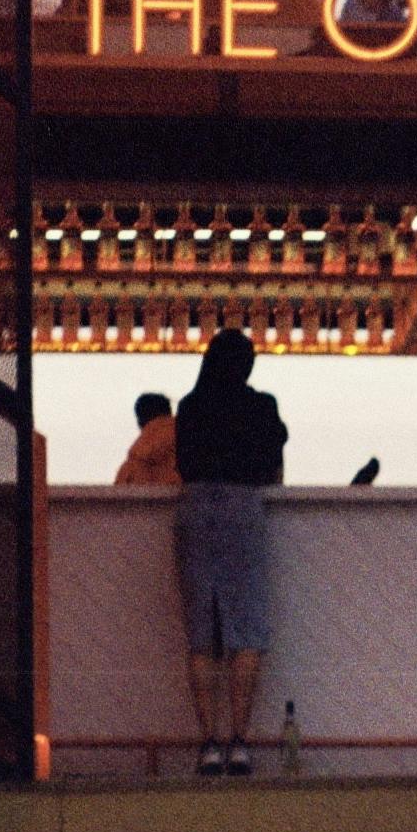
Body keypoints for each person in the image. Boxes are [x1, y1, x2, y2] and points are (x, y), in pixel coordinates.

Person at [172, 328, 286, 774]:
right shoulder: (262, 406)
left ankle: (208, 744)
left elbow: (184, 464)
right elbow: (271, 461)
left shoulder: (189, 406)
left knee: (202, 633)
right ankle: (239, 742)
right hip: (243, 508)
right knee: (246, 630)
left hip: (195, 508)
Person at [114, 390, 178, 486]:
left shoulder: (130, 468)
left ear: (140, 420)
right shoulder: (194, 442)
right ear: (169, 413)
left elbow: (119, 493)